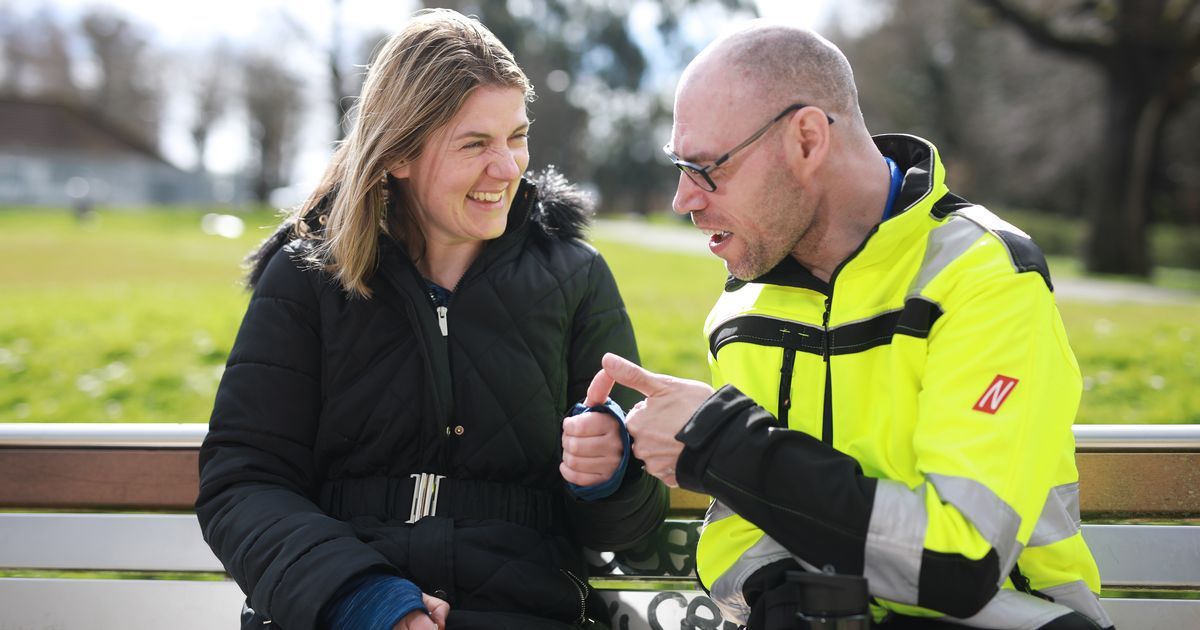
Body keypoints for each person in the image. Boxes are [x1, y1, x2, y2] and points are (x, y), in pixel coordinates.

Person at [589, 21, 1114, 630]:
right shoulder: (741, 311)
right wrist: (783, 593)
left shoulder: (986, 279)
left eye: (706, 168)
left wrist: (719, 442)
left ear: (807, 140)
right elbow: (738, 537)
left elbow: (958, 560)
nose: (683, 198)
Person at [195, 10, 666, 630]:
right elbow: (243, 482)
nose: (506, 167)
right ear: (398, 156)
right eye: (474, 144)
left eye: (516, 136)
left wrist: (611, 474)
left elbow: (627, 526)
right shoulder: (308, 275)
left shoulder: (574, 278)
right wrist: (364, 601)